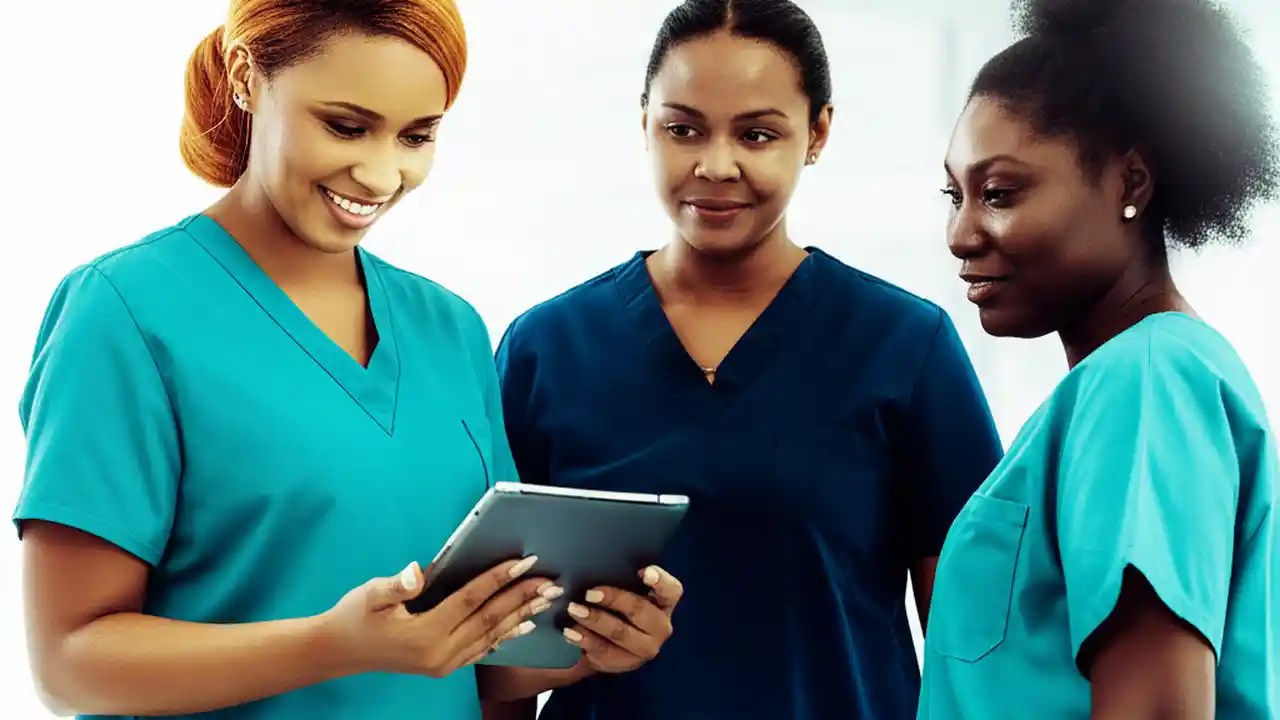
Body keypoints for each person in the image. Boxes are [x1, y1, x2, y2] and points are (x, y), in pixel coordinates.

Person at [13, 2, 664, 718]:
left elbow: (470, 667)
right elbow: (68, 663)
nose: (381, 175)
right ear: (246, 78)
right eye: (346, 127)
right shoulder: (125, 311)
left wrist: (584, 646)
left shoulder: (449, 329)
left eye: (416, 136)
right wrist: (334, 645)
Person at [482, 1, 1005, 717]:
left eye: (757, 134)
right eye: (683, 129)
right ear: (644, 123)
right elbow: (494, 652)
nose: (716, 164)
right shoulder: (545, 350)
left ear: (817, 132)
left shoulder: (907, 347)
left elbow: (976, 652)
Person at [921, 0, 1280, 717]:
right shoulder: (1144, 377)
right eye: (954, 195)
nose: (960, 233)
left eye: (998, 194)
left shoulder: (1145, 382)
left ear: (1130, 183)